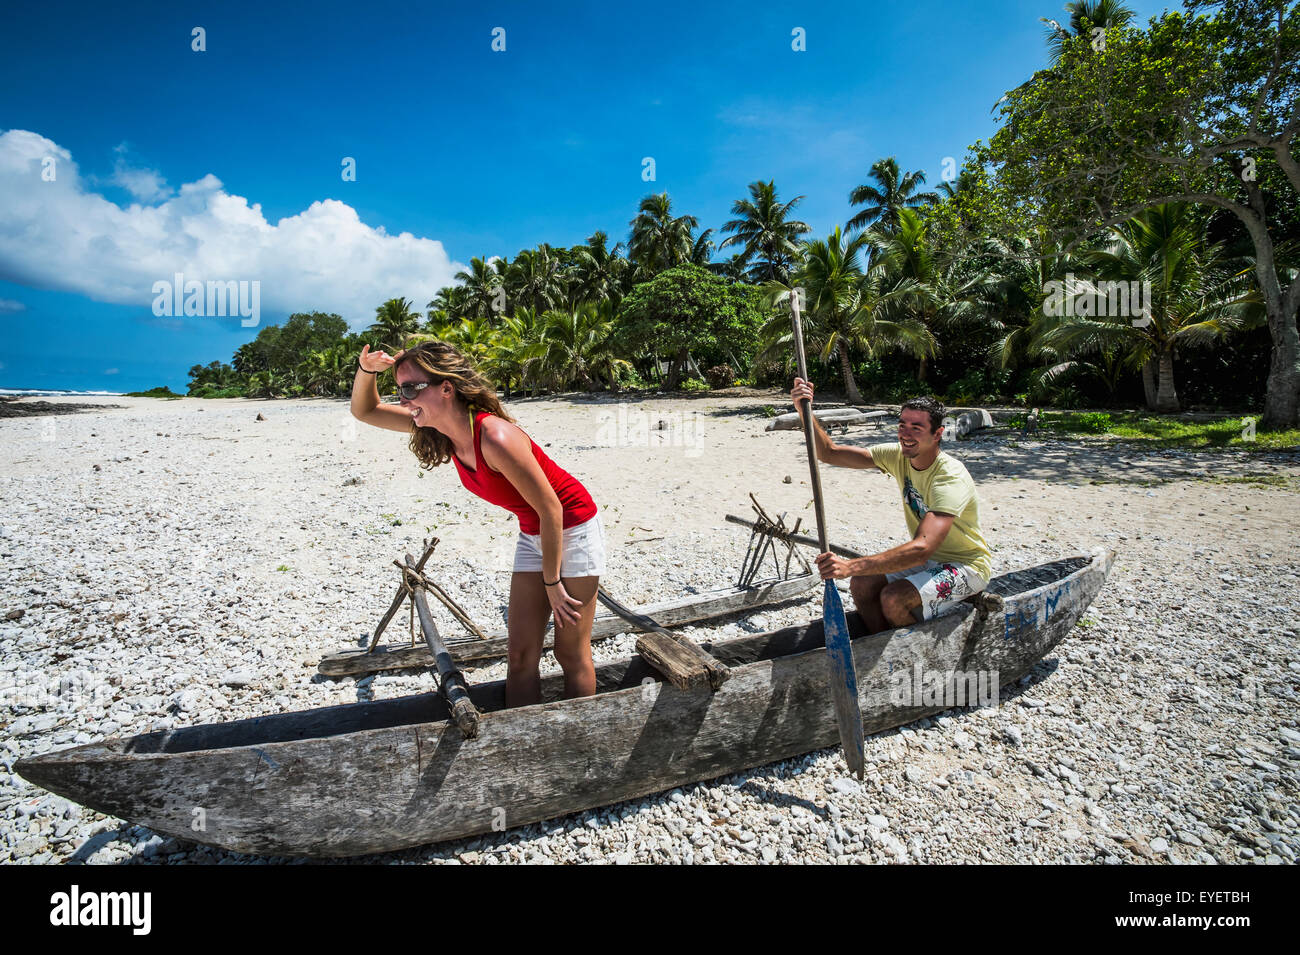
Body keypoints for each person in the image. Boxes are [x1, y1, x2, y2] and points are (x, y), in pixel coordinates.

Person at [352, 341, 605, 706]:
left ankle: (581, 738)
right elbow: (365, 410)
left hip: (574, 528)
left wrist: (552, 582)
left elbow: (553, 509)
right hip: (535, 532)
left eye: (410, 388)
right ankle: (519, 741)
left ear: (447, 388)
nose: (404, 400)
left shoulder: (495, 437)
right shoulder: (437, 428)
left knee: (569, 652)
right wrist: (367, 370)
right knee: (519, 657)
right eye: (399, 389)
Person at [789, 379, 992, 632]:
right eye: (902, 425)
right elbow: (829, 453)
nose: (905, 434)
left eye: (916, 428)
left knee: (893, 598)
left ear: (938, 434)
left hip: (967, 566)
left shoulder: (949, 477)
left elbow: (922, 548)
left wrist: (849, 566)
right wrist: (803, 408)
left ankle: (915, 654)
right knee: (861, 584)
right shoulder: (897, 455)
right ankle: (880, 646)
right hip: (930, 561)